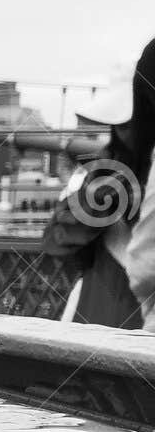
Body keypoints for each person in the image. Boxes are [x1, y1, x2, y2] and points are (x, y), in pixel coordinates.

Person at [45, 37, 155, 328]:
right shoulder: (107, 164)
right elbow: (56, 241)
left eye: (130, 122)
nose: (125, 133)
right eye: (119, 125)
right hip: (103, 295)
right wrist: (93, 207)